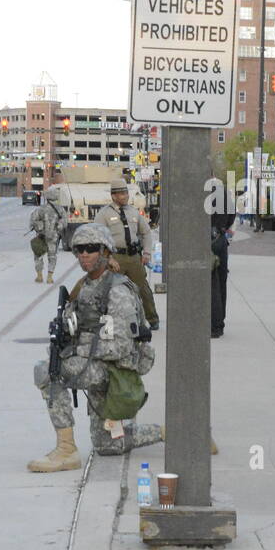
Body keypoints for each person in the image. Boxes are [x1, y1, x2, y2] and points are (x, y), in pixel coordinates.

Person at [28, 223, 162, 473]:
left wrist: (78, 352)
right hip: (96, 364)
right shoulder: (86, 286)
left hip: (113, 370)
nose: (84, 255)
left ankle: (66, 450)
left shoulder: (117, 290)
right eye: (78, 250)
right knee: (106, 445)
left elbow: (121, 346)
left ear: (105, 251)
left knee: (46, 372)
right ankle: (168, 432)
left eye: (90, 249)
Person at [93, 179, 159, 330]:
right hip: (115, 258)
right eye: (122, 194)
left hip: (134, 257)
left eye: (126, 193)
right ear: (114, 196)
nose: (125, 196)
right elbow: (97, 238)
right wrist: (108, 258)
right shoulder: (104, 214)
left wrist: (147, 252)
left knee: (143, 289)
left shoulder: (133, 212)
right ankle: (106, 321)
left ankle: (153, 319)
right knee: (109, 290)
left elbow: (146, 232)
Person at [29, 187, 68, 284]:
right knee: (52, 256)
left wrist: (39, 227)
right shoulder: (60, 209)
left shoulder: (41, 209)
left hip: (41, 236)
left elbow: (32, 220)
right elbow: (65, 222)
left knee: (38, 255)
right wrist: (59, 227)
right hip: (53, 236)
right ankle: (50, 277)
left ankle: (39, 276)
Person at [211, 209, 235, 338]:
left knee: (212, 285)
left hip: (210, 241)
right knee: (221, 283)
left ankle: (215, 324)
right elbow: (232, 216)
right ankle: (220, 321)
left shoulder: (204, 193)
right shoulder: (224, 195)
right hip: (220, 239)